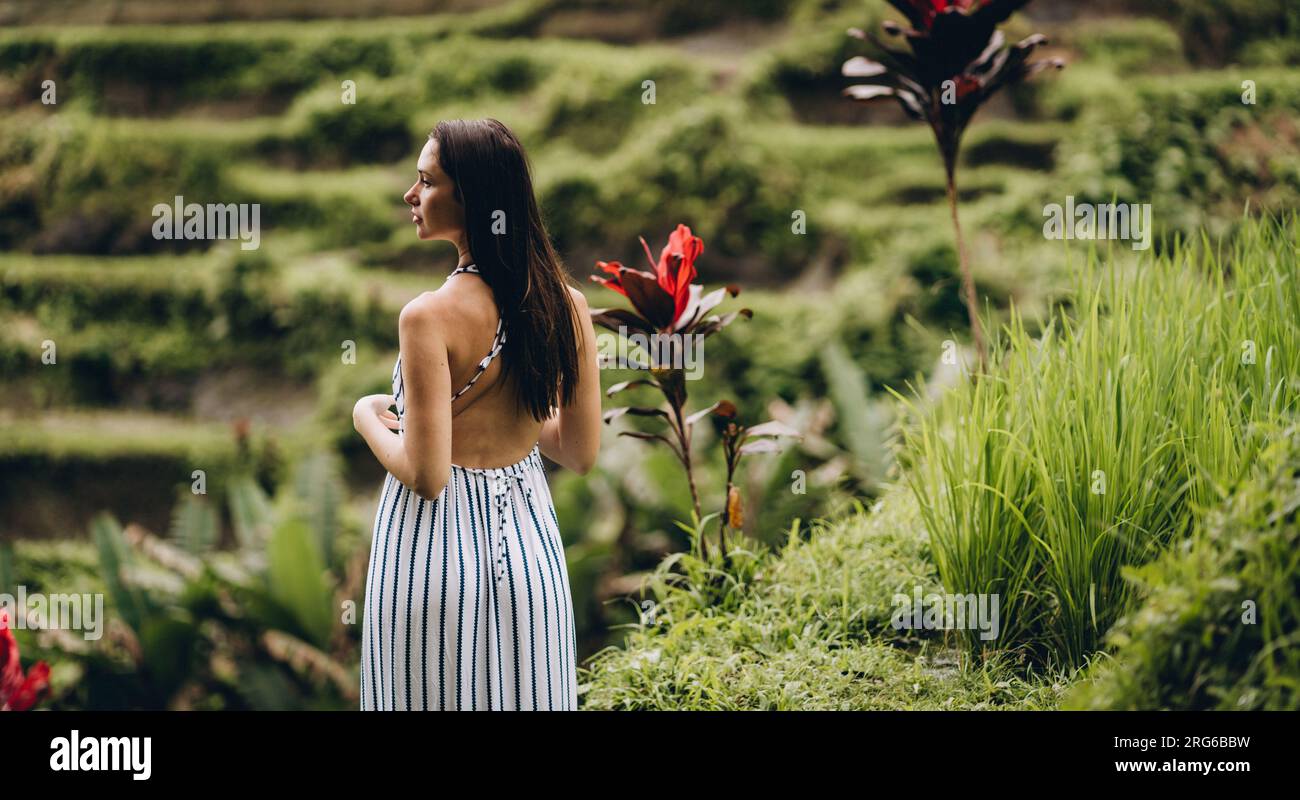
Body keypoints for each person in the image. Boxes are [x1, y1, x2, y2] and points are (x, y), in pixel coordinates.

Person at [352, 118, 601, 710]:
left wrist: (366, 416)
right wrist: (513, 419)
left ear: (471, 197)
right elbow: (578, 451)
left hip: (430, 555)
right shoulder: (569, 306)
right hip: (529, 556)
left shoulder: (427, 316)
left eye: (427, 182)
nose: (411, 196)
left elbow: (427, 474)